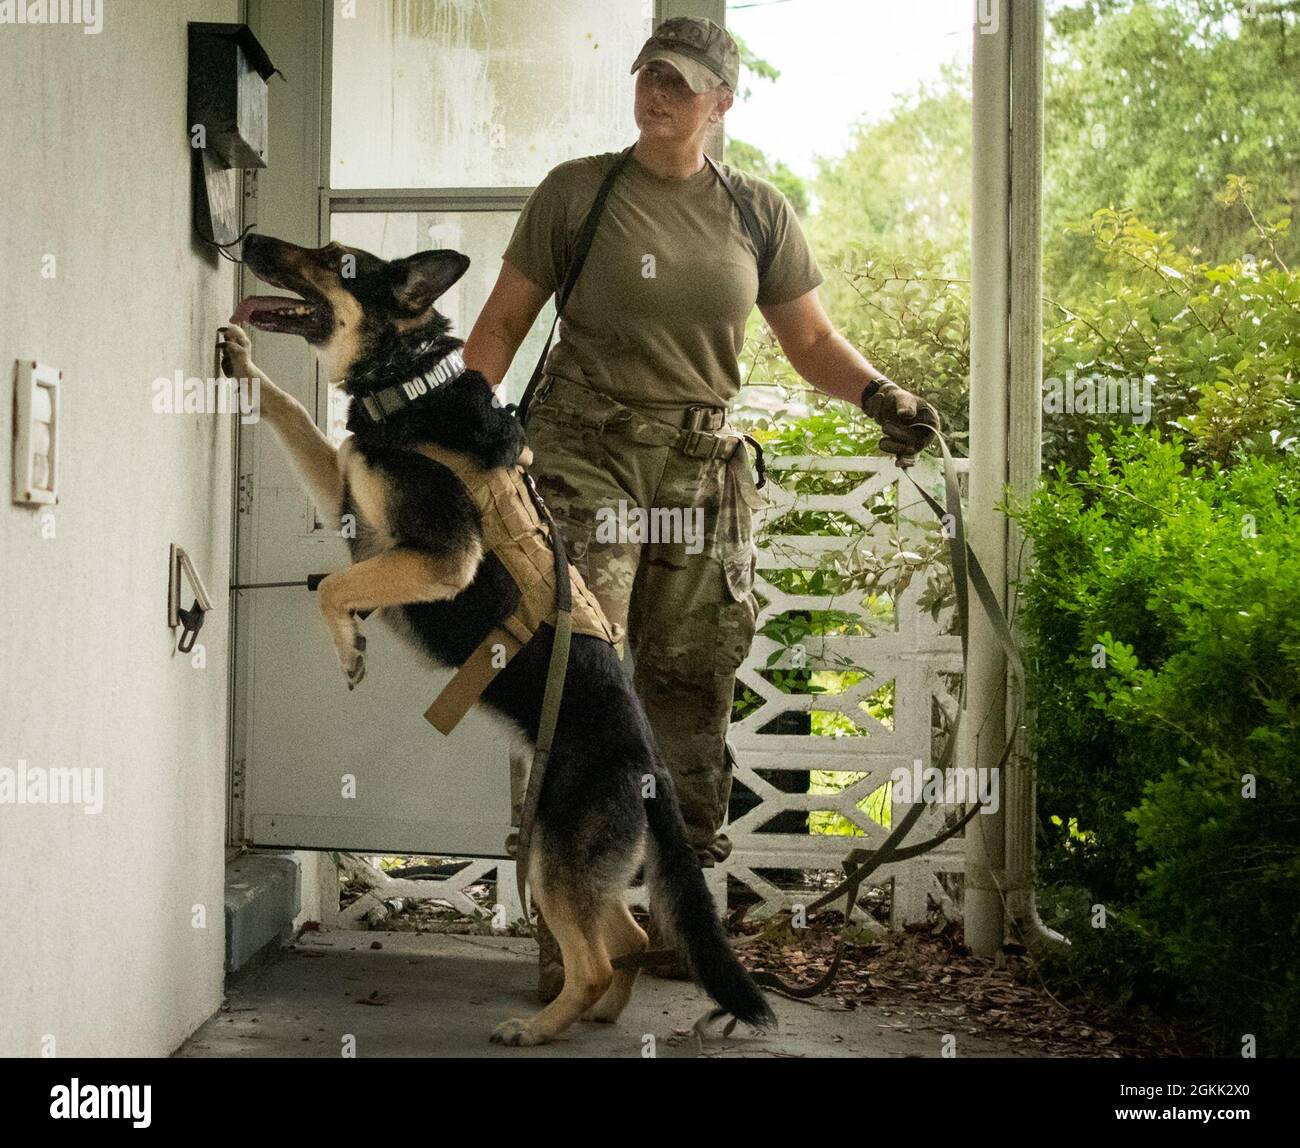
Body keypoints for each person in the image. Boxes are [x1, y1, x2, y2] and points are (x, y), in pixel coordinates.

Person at [462, 16, 938, 1000]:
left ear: (722, 102)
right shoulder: (576, 194)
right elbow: (501, 326)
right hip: (582, 454)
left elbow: (808, 342)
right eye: (649, 77)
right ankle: (574, 924)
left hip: (698, 469)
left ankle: (674, 920)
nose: (658, 94)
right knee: (576, 684)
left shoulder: (756, 211)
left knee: (688, 684)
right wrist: (464, 448)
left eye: (680, 83)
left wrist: (881, 394)